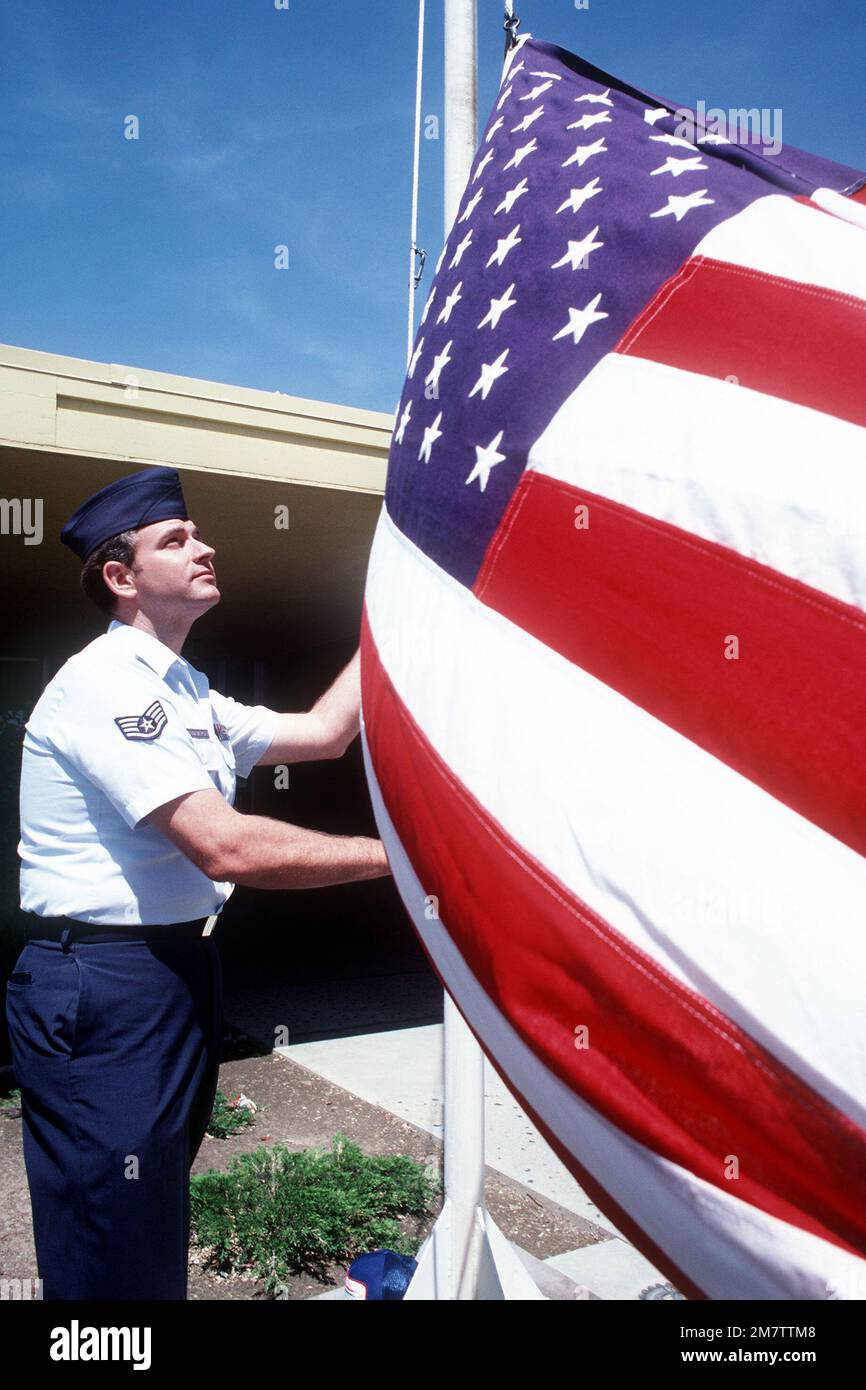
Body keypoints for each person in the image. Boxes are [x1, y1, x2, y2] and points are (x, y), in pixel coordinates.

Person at [5, 464, 391, 1301]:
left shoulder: (184, 689)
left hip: (172, 973)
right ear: (121, 577)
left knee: (147, 1226)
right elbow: (225, 849)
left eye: (197, 534)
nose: (205, 546)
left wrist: (392, 622)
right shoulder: (103, 684)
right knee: (113, 1246)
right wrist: (398, 857)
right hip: (104, 983)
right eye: (175, 540)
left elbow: (325, 734)